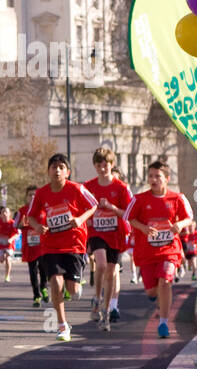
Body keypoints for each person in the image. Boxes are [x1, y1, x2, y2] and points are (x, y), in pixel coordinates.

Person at [26, 154, 97, 342]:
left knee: (73, 292)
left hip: (74, 244)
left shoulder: (77, 189)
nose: (57, 170)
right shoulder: (41, 193)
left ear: (67, 172)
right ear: (48, 171)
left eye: (61, 167)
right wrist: (37, 226)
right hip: (51, 245)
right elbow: (30, 217)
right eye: (53, 167)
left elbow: (94, 205)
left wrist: (81, 219)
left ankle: (74, 285)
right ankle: (62, 325)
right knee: (55, 284)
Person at [126, 161, 194, 339]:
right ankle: (157, 298)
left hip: (169, 250)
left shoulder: (177, 198)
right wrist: (143, 228)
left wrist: (180, 223)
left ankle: (163, 322)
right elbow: (129, 218)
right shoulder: (139, 199)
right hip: (147, 253)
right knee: (151, 291)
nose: (153, 179)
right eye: (150, 176)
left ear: (167, 179)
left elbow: (189, 217)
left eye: (157, 176)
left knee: (165, 281)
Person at [82, 147, 132, 329]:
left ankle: (106, 311)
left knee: (111, 273)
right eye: (99, 165)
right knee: (101, 264)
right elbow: (81, 208)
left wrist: (111, 207)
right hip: (97, 232)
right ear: (95, 166)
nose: (103, 168)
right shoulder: (88, 186)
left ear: (112, 165)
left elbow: (127, 213)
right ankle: (96, 297)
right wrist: (86, 220)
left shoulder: (121, 188)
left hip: (115, 233)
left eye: (106, 165)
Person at [16, 185, 46, 307]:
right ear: (26, 197)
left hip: (43, 246)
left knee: (44, 270)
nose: (32, 197)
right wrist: (21, 226)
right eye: (30, 195)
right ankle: (36, 296)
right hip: (29, 247)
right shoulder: (22, 211)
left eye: (35, 195)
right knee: (33, 272)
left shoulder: (44, 209)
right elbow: (15, 225)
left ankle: (44, 287)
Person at [0, 207, 19, 283]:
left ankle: (7, 276)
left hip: (9, 243)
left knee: (7, 257)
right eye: (3, 212)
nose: (4, 214)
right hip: (1, 243)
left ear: (9, 214)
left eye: (6, 212)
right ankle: (3, 258)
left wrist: (10, 239)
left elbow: (17, 234)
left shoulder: (12, 223)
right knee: (1, 260)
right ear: (0, 214)